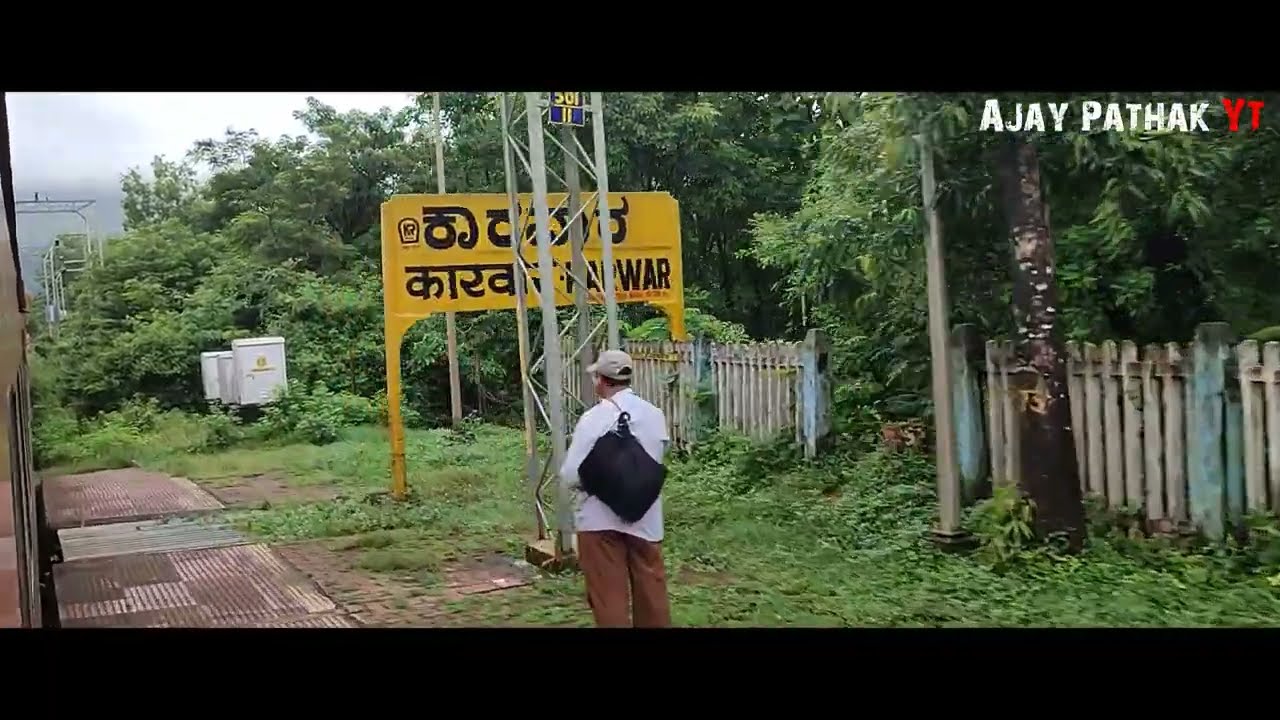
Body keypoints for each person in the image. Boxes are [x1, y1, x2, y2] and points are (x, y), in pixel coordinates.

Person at [559, 349, 672, 628]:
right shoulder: (655, 415)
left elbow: (571, 474)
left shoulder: (593, 419)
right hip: (645, 516)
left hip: (598, 521)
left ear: (601, 380)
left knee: (609, 596)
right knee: (652, 592)